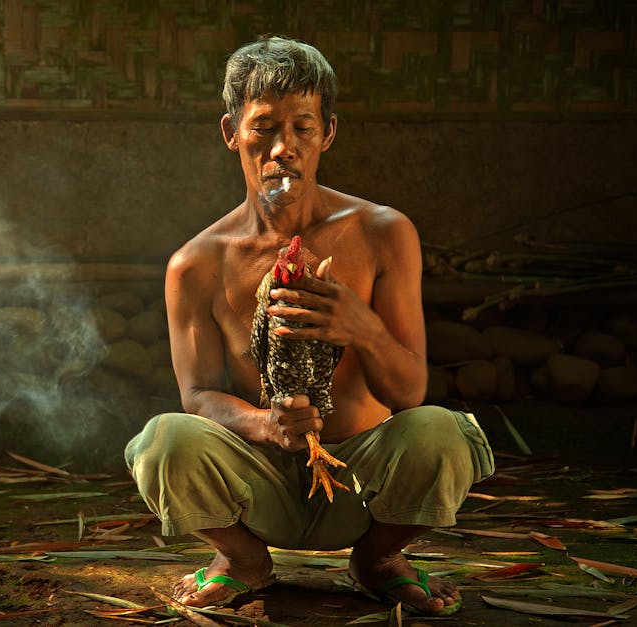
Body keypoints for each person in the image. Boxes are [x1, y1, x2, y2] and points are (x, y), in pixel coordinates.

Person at [124, 36, 495, 617]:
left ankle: (378, 559)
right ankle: (241, 558)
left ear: (328, 133)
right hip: (257, 484)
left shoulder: (382, 232)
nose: (283, 148)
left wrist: (362, 328)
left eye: (302, 126)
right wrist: (266, 425)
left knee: (440, 434)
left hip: (360, 485)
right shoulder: (195, 263)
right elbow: (197, 395)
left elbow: (408, 394)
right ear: (231, 133)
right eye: (263, 127)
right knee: (164, 440)